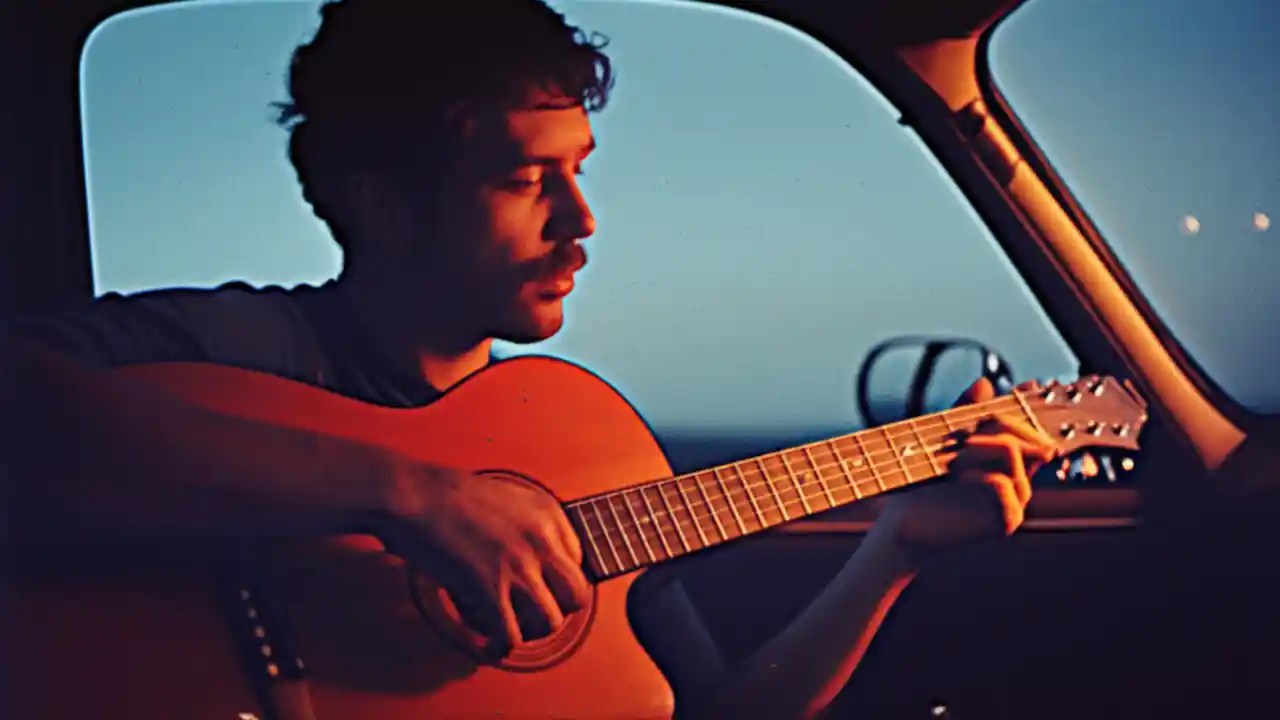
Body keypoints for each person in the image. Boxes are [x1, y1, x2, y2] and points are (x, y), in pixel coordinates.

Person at [0, 1, 1059, 717]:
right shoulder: (247, 349)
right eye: (524, 180)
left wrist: (897, 549)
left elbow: (724, 712)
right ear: (381, 201)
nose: (580, 221)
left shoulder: (572, 441)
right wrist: (402, 491)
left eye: (579, 172)